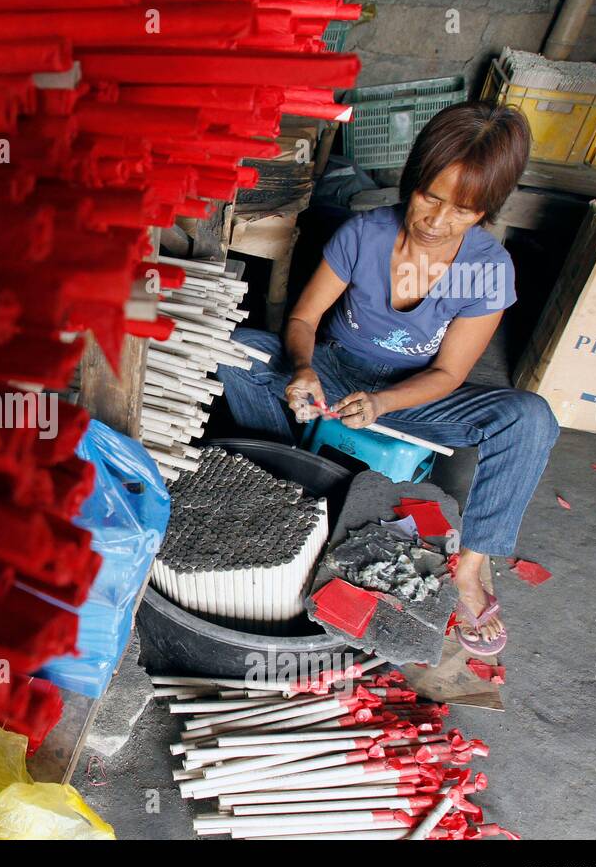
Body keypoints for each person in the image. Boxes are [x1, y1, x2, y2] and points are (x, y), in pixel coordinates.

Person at [215, 101, 558, 657]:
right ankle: (287, 480)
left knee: (529, 418)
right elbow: (302, 320)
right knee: (237, 349)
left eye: (465, 211)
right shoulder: (364, 234)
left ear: (486, 212)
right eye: (430, 197)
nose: (437, 221)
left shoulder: (489, 269)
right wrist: (303, 368)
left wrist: (381, 403)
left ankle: (472, 563)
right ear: (412, 179)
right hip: (336, 367)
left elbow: (448, 372)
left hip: (414, 393)